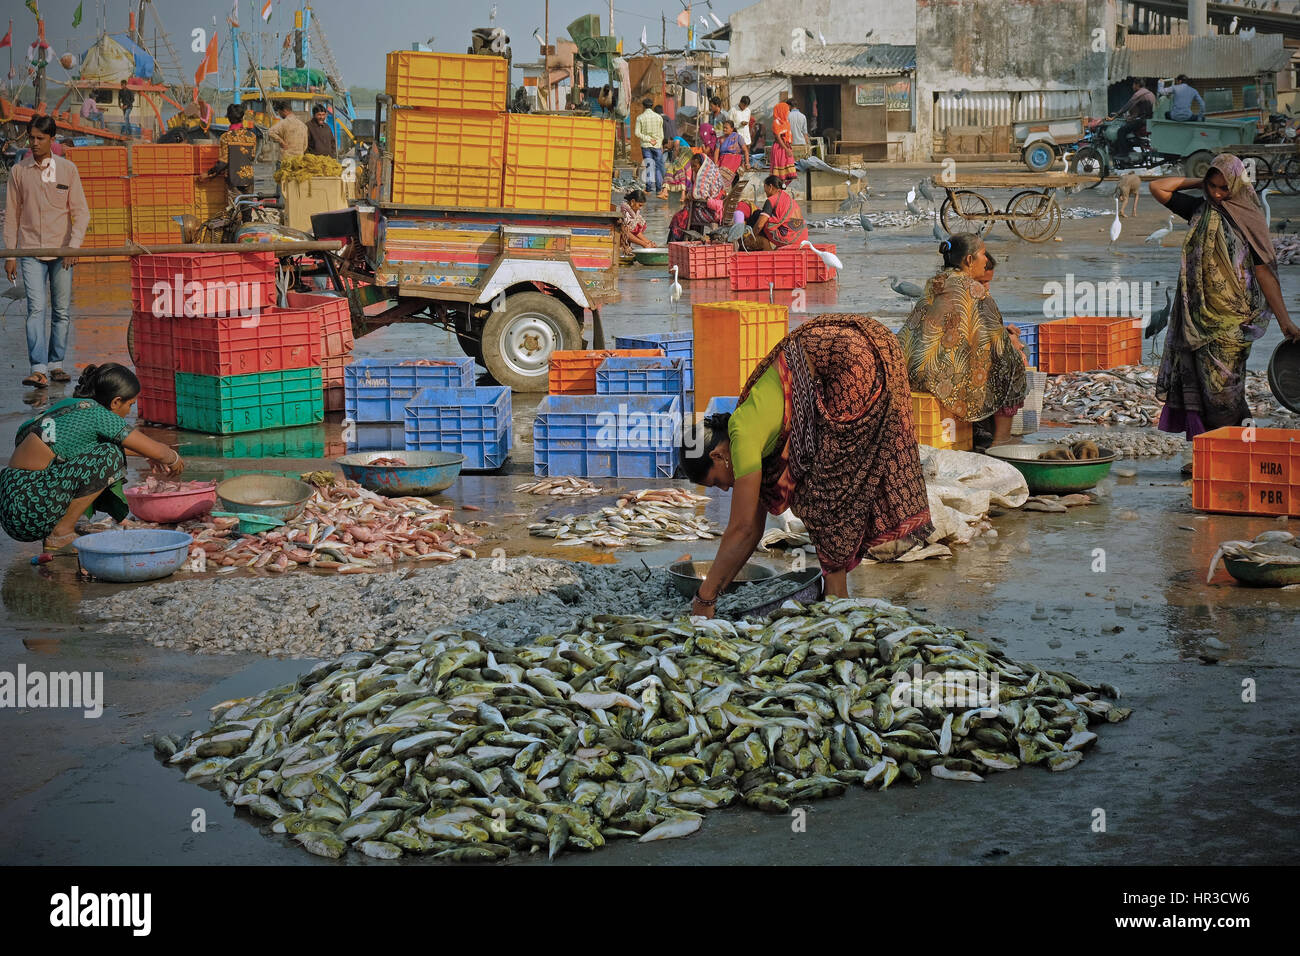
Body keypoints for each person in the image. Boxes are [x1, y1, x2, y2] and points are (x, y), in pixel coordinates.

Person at [680, 314, 933, 613]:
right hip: (871, 345)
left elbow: (743, 528)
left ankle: (836, 598)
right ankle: (835, 596)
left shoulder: (743, 434)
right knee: (826, 483)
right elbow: (753, 532)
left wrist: (705, 597)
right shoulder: (753, 428)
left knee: (821, 493)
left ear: (717, 455)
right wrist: (718, 591)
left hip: (851, 361)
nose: (725, 488)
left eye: (717, 482)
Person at [1149, 155, 1300, 472]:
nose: (1217, 194)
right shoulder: (1199, 209)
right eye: (1213, 186)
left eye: (1223, 188)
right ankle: (1215, 455)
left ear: (1237, 186)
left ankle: (1235, 453)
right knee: (1205, 393)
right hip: (1196, 320)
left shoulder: (1248, 219)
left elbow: (1265, 274)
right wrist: (1200, 183)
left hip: (1231, 321)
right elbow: (1157, 187)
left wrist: (1285, 321)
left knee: (1224, 395)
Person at [0, 364, 184, 552]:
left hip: (11, 503)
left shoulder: (70, 407)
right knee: (109, 456)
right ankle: (61, 532)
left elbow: (34, 437)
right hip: (29, 507)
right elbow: (160, 452)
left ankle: (63, 524)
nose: (129, 411)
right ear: (115, 402)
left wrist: (146, 453)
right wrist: (173, 458)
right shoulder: (97, 414)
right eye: (130, 405)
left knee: (105, 451)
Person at [898, 234, 1028, 448]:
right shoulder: (973, 289)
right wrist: (1013, 344)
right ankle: (1002, 439)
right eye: (983, 254)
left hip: (910, 369)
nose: (986, 259)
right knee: (1012, 363)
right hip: (938, 377)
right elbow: (996, 340)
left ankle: (978, 427)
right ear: (969, 260)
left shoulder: (935, 282)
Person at [4, 116, 89, 390]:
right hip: (30, 250)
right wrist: (10, 255)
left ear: (52, 139)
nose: (35, 143)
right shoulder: (19, 172)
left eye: (41, 138)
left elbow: (80, 212)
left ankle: (56, 364)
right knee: (36, 308)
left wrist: (74, 246)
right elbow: (12, 217)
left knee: (61, 311)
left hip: (63, 251)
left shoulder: (67, 170)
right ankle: (38, 368)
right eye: (32, 138)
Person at [667, 152, 731, 242]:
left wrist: (689, 197)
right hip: (716, 209)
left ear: (701, 165)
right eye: (692, 166)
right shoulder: (712, 172)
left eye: (695, 166)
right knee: (683, 213)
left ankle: (675, 242)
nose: (693, 169)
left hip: (710, 212)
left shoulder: (705, 176)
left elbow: (697, 195)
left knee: (678, 217)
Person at [200, 103, 257, 201]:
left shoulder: (225, 137)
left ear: (229, 119)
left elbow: (224, 161)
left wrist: (209, 173)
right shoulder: (252, 136)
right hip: (248, 178)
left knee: (235, 210)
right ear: (242, 118)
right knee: (247, 211)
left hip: (233, 178)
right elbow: (252, 156)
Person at [746, 175, 808, 249]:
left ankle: (765, 246)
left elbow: (759, 225)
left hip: (789, 238)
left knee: (758, 217)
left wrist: (750, 237)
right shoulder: (787, 198)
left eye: (765, 187)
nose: (764, 191)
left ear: (770, 187)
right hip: (802, 236)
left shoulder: (771, 200)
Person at [1108, 78, 1155, 154]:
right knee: (1129, 129)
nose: (1132, 86)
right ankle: (1130, 149)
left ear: (1137, 85)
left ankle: (1123, 153)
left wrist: (1116, 114)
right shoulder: (1150, 93)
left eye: (1133, 85)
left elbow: (1128, 105)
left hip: (1142, 121)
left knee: (1121, 131)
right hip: (1149, 121)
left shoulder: (1139, 94)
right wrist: (1132, 117)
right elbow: (1141, 110)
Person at [634, 98, 667, 199]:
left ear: (643, 106)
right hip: (657, 145)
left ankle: (648, 189)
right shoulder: (658, 118)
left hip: (646, 145)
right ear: (652, 106)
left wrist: (648, 139)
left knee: (649, 166)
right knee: (657, 167)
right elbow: (661, 134)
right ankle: (658, 190)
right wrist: (657, 142)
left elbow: (637, 133)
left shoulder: (640, 118)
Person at [769, 102, 798, 185]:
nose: (788, 112)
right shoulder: (776, 122)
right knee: (780, 175)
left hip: (786, 147)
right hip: (780, 148)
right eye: (787, 110)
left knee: (789, 174)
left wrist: (789, 148)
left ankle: (782, 189)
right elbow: (778, 138)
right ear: (781, 110)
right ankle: (779, 191)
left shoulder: (786, 122)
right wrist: (786, 149)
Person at [730, 95, 752, 166]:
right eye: (743, 105)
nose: (744, 107)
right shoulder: (733, 110)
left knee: (747, 150)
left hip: (746, 134)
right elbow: (730, 124)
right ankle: (738, 165)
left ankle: (747, 164)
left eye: (746, 106)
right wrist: (739, 124)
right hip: (737, 134)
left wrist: (745, 123)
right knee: (738, 153)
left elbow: (748, 122)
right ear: (740, 102)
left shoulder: (748, 110)